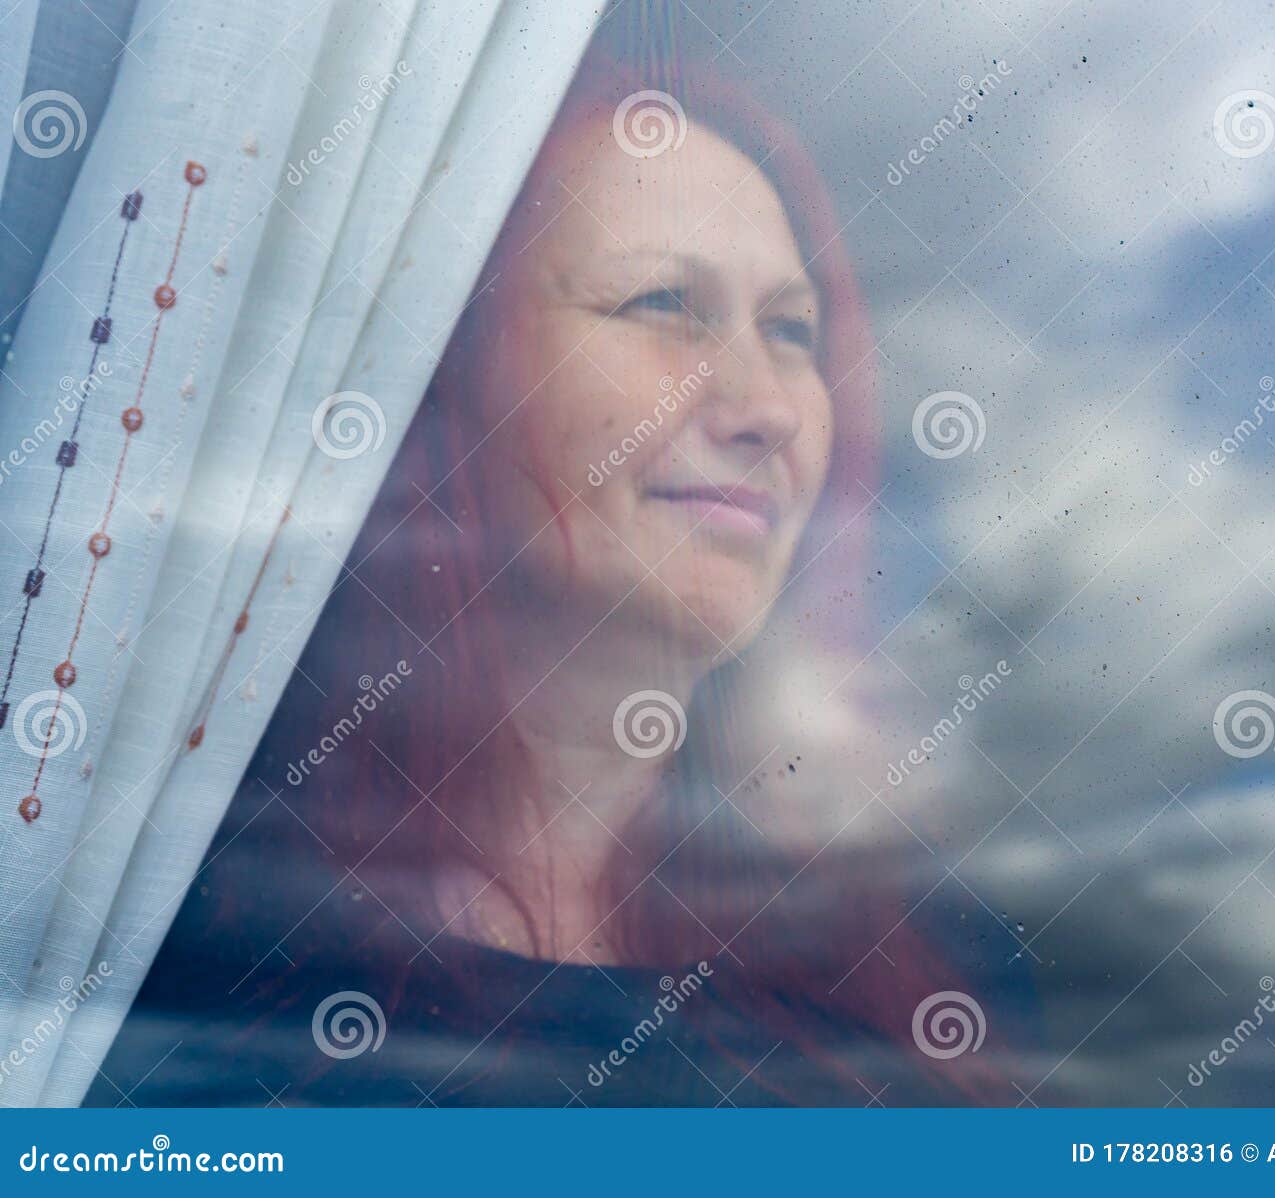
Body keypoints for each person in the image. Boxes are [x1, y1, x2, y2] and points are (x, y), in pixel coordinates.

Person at [91, 52, 1030, 1107]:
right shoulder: (170, 956)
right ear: (442, 371)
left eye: (790, 330)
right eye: (662, 301)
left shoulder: (889, 977)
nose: (764, 405)